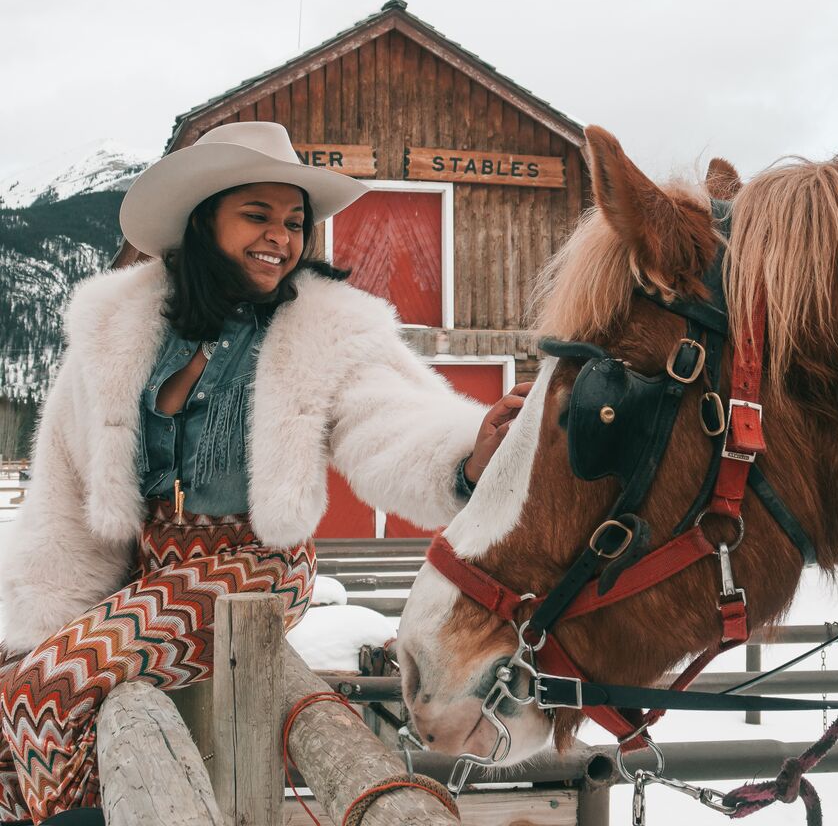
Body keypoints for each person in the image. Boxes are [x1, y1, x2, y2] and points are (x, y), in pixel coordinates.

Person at [0, 122, 530, 823]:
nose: (281, 237)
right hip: (148, 564)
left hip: (256, 565)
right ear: (202, 219)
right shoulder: (118, 326)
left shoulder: (326, 326)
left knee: (51, 687)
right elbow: (68, 481)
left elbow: (384, 419)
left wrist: (466, 454)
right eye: (257, 215)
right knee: (9, 691)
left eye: (293, 221)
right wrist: (33, 614)